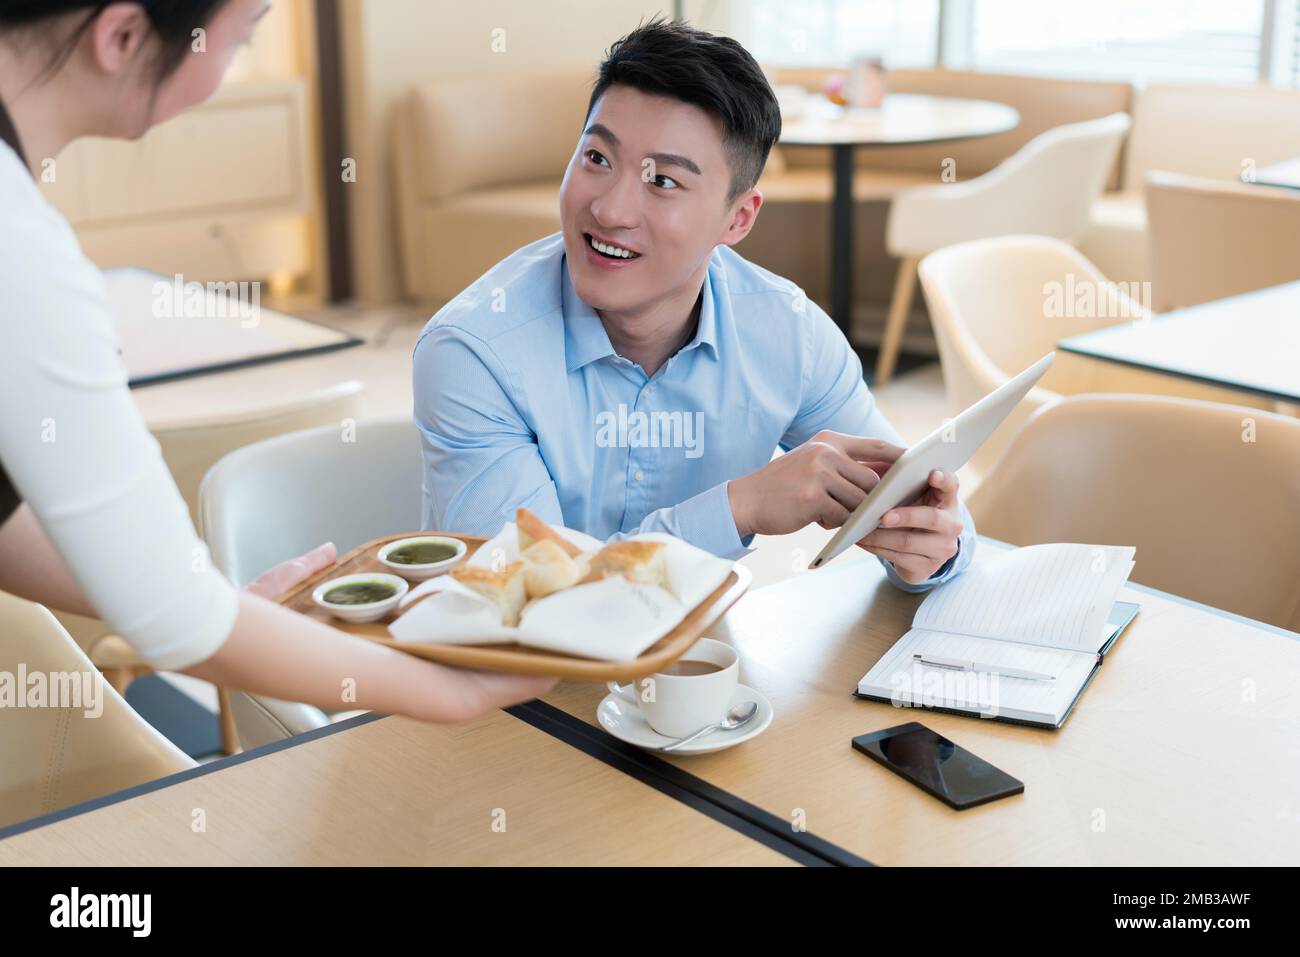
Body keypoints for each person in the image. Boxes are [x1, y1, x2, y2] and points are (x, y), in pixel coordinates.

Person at [0, 0, 554, 722]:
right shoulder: (24, 257)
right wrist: (450, 690)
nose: (227, 69)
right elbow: (179, 621)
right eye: (241, 36)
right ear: (123, 34)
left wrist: (189, 587)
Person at [414, 19, 974, 590]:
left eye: (662, 181)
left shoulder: (791, 334)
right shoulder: (474, 350)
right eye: (598, 159)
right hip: (516, 676)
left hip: (702, 666)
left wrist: (932, 544)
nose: (609, 211)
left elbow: (918, 499)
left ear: (739, 218)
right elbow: (530, 597)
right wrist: (740, 506)